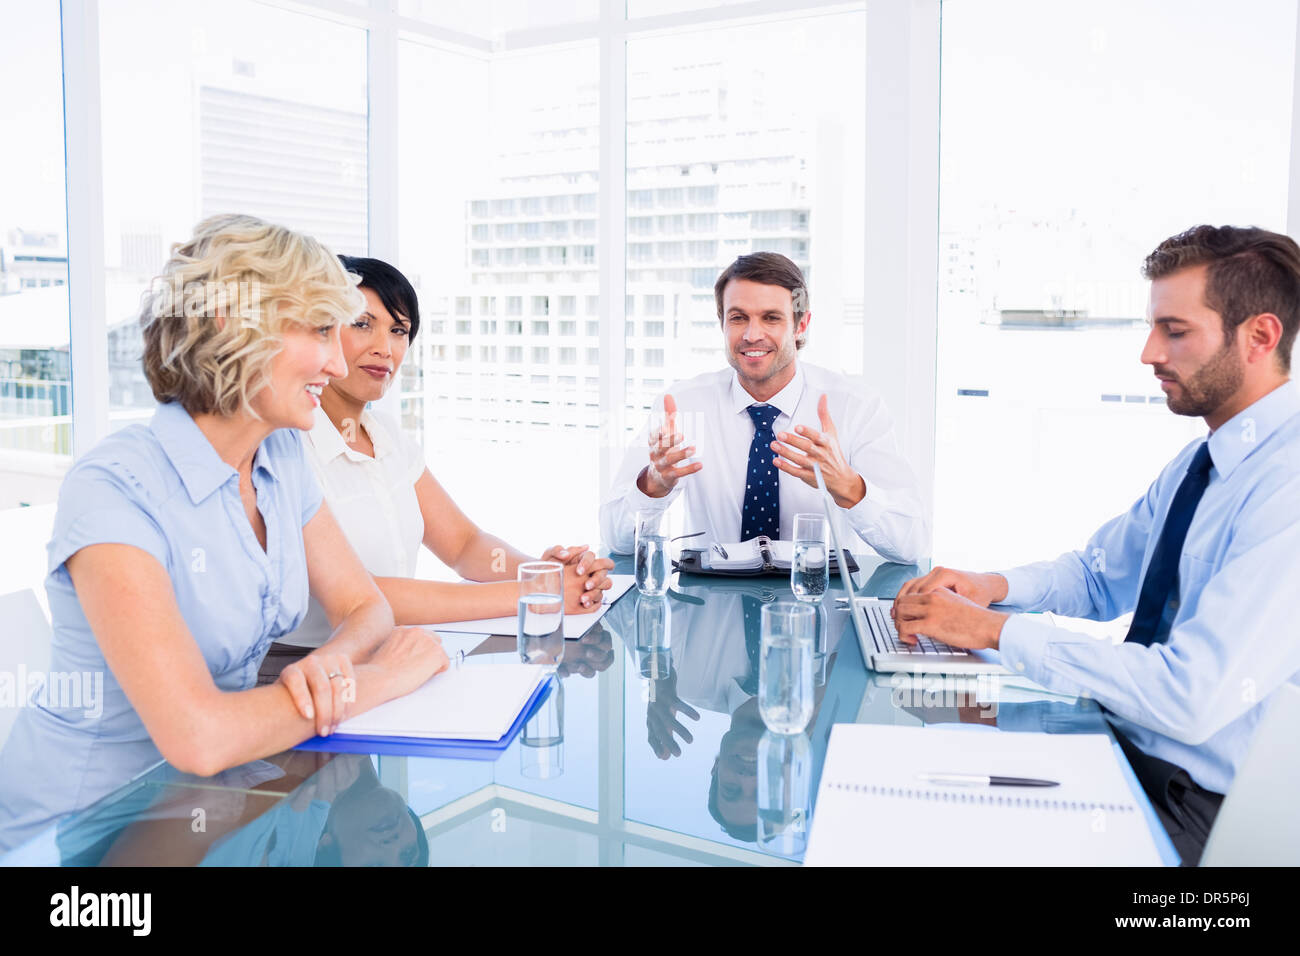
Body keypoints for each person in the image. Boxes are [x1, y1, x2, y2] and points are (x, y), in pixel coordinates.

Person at [0, 215, 447, 852]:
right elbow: (198, 735)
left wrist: (323, 675)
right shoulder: (117, 486)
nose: (339, 357)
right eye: (321, 329)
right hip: (85, 834)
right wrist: (371, 682)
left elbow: (363, 605)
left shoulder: (282, 460)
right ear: (230, 325)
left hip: (216, 802)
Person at [891, 224, 1300, 865]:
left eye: (1175, 329)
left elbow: (1186, 698)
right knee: (920, 779)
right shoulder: (1202, 462)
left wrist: (993, 632)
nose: (1148, 353)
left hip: (1192, 808)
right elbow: (1097, 575)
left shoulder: (1288, 486)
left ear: (1260, 336)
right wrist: (990, 590)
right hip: (1123, 744)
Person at [267, 256, 613, 658]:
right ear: (322, 332)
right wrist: (533, 592)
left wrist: (546, 574)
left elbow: (465, 546)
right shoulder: (287, 446)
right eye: (363, 324)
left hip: (389, 653)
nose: (385, 348)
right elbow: (361, 594)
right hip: (305, 665)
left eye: (399, 331)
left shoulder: (388, 436)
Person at [599, 252, 927, 563]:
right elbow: (617, 541)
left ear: (800, 325)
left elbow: (910, 545)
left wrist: (848, 487)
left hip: (821, 603)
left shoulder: (856, 408)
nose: (752, 335)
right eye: (738, 318)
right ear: (722, 324)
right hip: (712, 609)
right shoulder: (683, 407)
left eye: (771, 318)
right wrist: (653, 487)